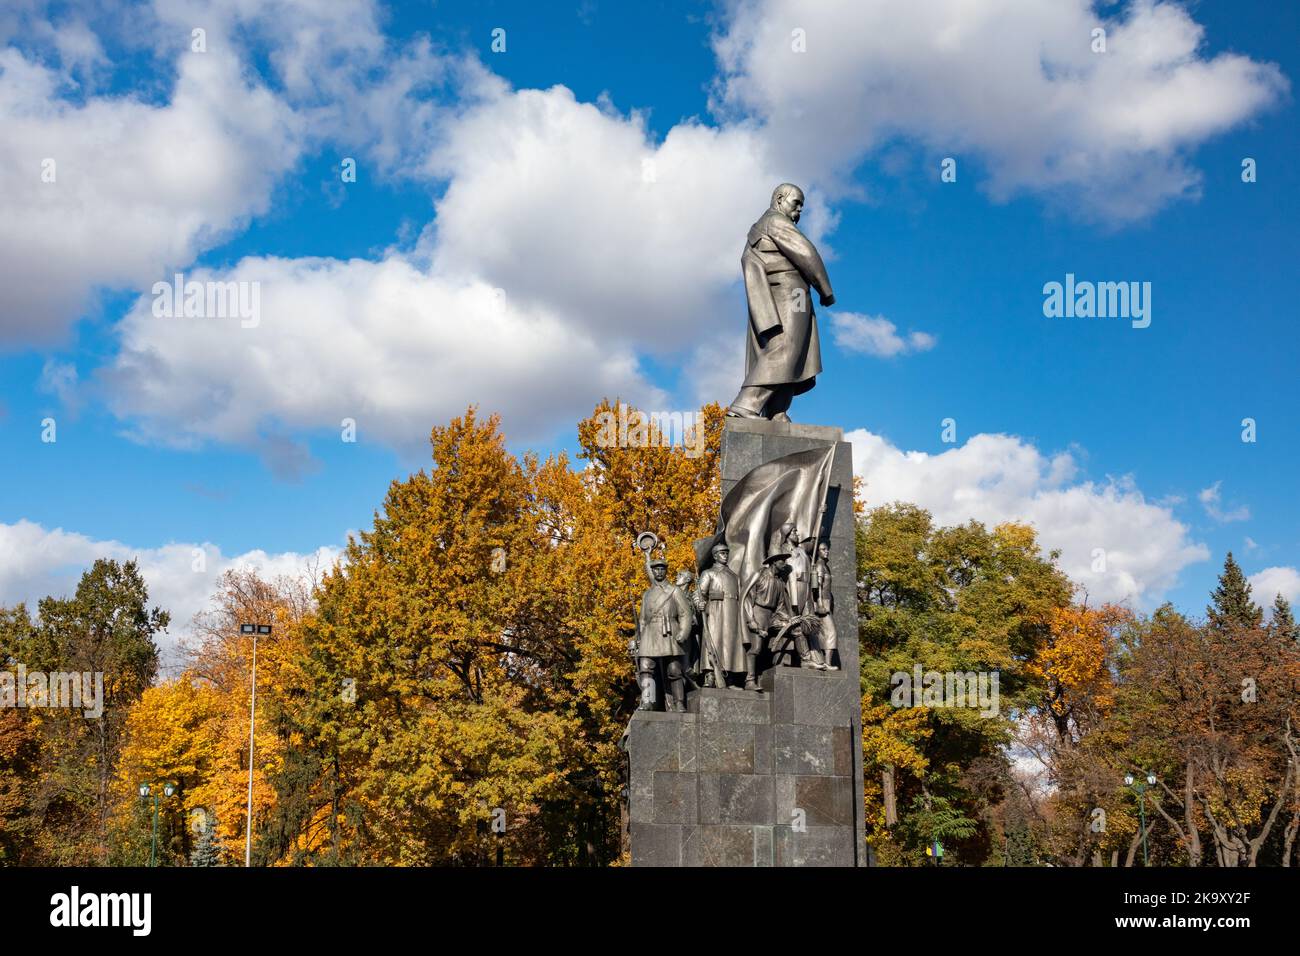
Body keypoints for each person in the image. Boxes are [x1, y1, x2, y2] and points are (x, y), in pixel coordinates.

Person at [727, 183, 836, 422]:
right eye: (795, 203)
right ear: (779, 199)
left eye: (802, 207)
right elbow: (806, 253)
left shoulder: (761, 226)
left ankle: (776, 411)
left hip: (780, 294)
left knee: (793, 351)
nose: (798, 211)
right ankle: (746, 403)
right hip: (791, 293)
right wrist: (825, 290)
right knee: (788, 346)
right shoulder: (775, 221)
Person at [635, 558, 694, 711]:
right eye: (655, 569)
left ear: (666, 571)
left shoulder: (674, 590)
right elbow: (642, 619)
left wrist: (683, 632)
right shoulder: (647, 594)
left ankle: (679, 702)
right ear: (652, 572)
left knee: (674, 668)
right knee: (646, 667)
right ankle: (648, 701)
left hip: (669, 632)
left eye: (662, 569)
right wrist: (639, 638)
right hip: (650, 633)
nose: (659, 571)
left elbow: (685, 614)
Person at [692, 540, 746, 687]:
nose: (725, 556)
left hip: (732, 612)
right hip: (715, 611)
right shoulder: (708, 573)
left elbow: (741, 596)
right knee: (714, 641)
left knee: (730, 644)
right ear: (715, 556)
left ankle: (729, 678)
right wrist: (699, 603)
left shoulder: (735, 576)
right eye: (722, 553)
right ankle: (710, 675)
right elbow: (698, 594)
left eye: (727, 553)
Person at [811, 540, 838, 671]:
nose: (826, 551)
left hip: (826, 602)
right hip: (822, 603)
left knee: (824, 633)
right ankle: (827, 662)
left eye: (827, 549)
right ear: (817, 551)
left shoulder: (825, 566)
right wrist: (820, 604)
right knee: (831, 632)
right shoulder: (819, 566)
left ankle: (823, 661)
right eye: (823, 549)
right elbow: (817, 587)